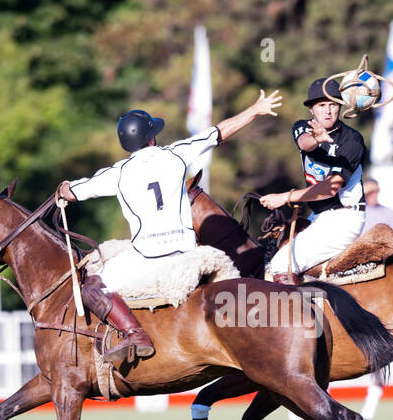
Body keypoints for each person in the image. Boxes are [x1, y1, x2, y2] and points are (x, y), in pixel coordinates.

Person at [57, 89, 283, 366]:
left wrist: (63, 188)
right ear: (151, 138)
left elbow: (74, 192)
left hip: (147, 257)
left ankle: (134, 333)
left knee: (92, 286)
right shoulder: (176, 154)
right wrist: (255, 110)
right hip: (186, 252)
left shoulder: (117, 173)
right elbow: (219, 132)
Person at [259, 77, 367, 283]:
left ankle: (295, 315)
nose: (327, 111)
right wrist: (317, 139)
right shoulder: (303, 127)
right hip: (320, 216)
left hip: (344, 218)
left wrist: (286, 197)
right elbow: (305, 143)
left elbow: (330, 188)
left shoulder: (352, 140)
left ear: (340, 107)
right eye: (321, 105)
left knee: (279, 266)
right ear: (311, 109)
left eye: (333, 104)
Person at [357, 179, 393, 420]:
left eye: (376, 191)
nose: (373, 195)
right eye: (369, 192)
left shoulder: (387, 212)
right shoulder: (357, 213)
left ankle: (368, 413)